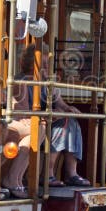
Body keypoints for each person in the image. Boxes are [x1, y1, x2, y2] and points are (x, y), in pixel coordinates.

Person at [20, 45, 90, 188]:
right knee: (63, 125)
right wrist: (48, 116)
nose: (47, 68)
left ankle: (71, 173)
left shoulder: (47, 83)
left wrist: (68, 109)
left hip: (46, 121)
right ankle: (48, 173)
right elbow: (23, 111)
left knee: (70, 120)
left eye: (48, 64)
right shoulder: (22, 81)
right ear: (31, 64)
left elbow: (61, 104)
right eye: (43, 65)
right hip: (31, 121)